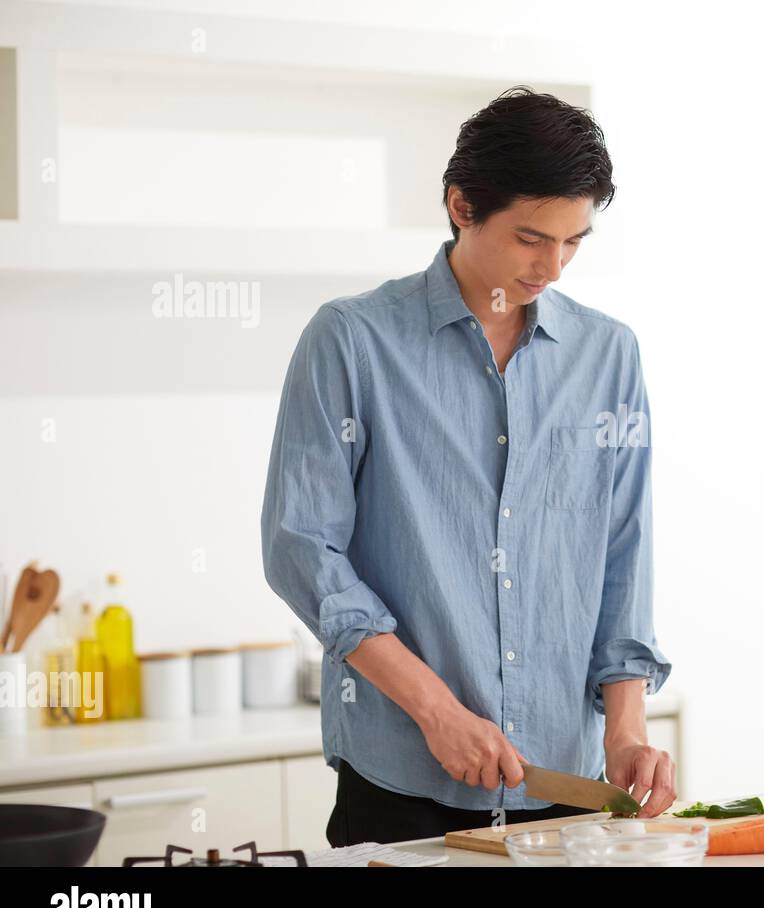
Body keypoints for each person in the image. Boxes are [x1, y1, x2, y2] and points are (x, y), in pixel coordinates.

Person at [260, 86, 674, 845]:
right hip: (401, 786)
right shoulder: (353, 343)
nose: (552, 265)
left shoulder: (610, 357)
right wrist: (438, 712)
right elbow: (302, 549)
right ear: (460, 205)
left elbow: (623, 552)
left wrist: (625, 727)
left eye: (574, 241)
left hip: (567, 790)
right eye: (529, 238)